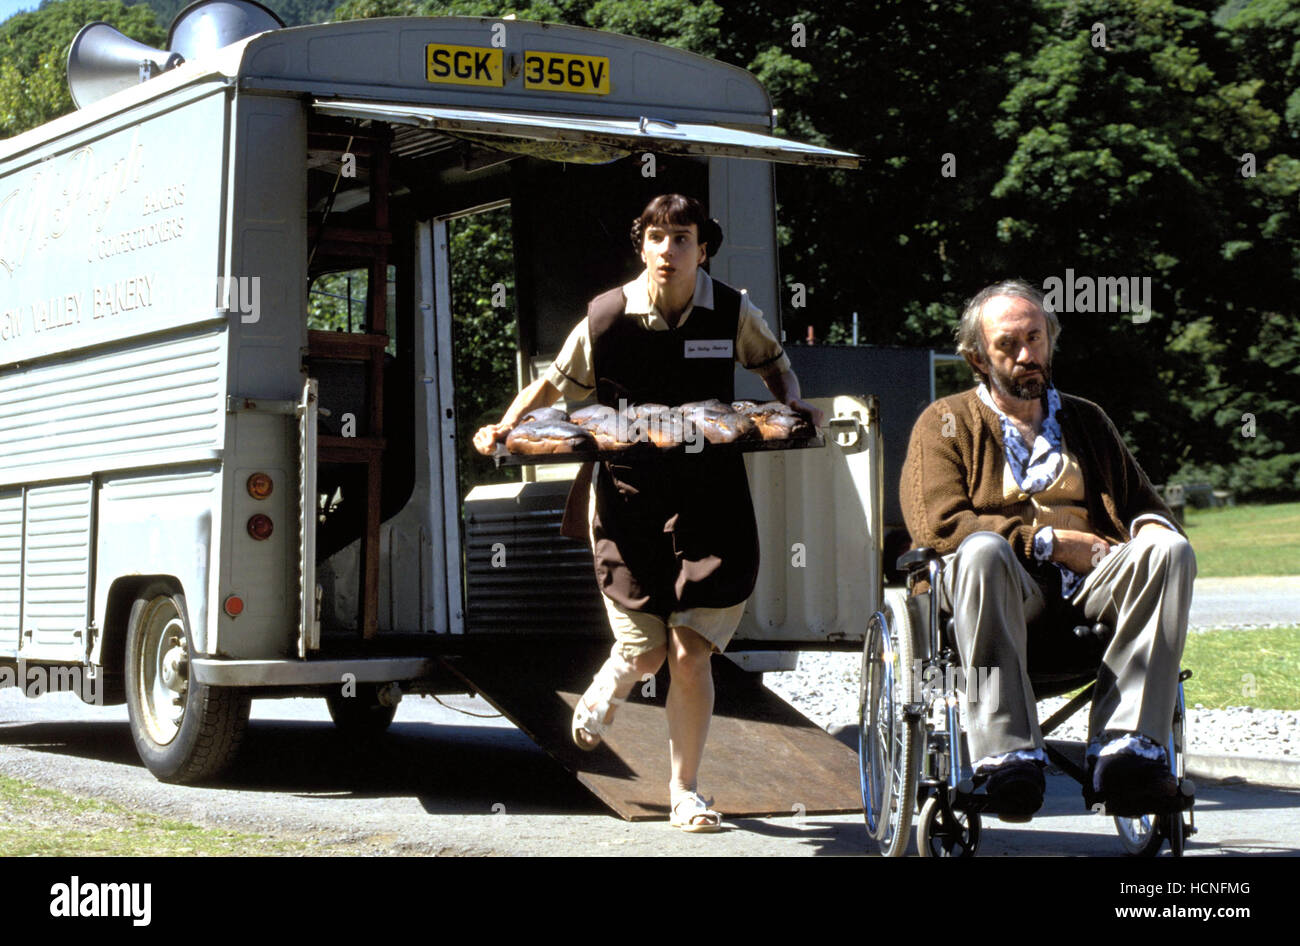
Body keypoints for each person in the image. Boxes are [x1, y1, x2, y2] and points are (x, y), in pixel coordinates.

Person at [474, 193, 823, 832]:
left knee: (690, 650)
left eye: (682, 238)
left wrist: (793, 406)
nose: (669, 251)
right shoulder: (606, 317)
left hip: (711, 498)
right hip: (629, 497)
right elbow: (552, 385)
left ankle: (685, 792)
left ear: (703, 247)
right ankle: (613, 679)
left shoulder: (732, 309)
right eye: (657, 239)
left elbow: (775, 368)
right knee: (646, 652)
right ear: (643, 246)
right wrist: (503, 426)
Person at [900, 279, 1195, 820]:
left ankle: (1127, 751)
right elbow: (939, 524)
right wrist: (1048, 542)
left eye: (1036, 339)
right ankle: (1006, 755)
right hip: (1004, 588)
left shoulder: (1087, 419)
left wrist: (1152, 531)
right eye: (1008, 345)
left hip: (1090, 593)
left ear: (1051, 341)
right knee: (983, 549)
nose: (1027, 356)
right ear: (976, 357)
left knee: (1170, 551)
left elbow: (1143, 504)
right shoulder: (945, 422)